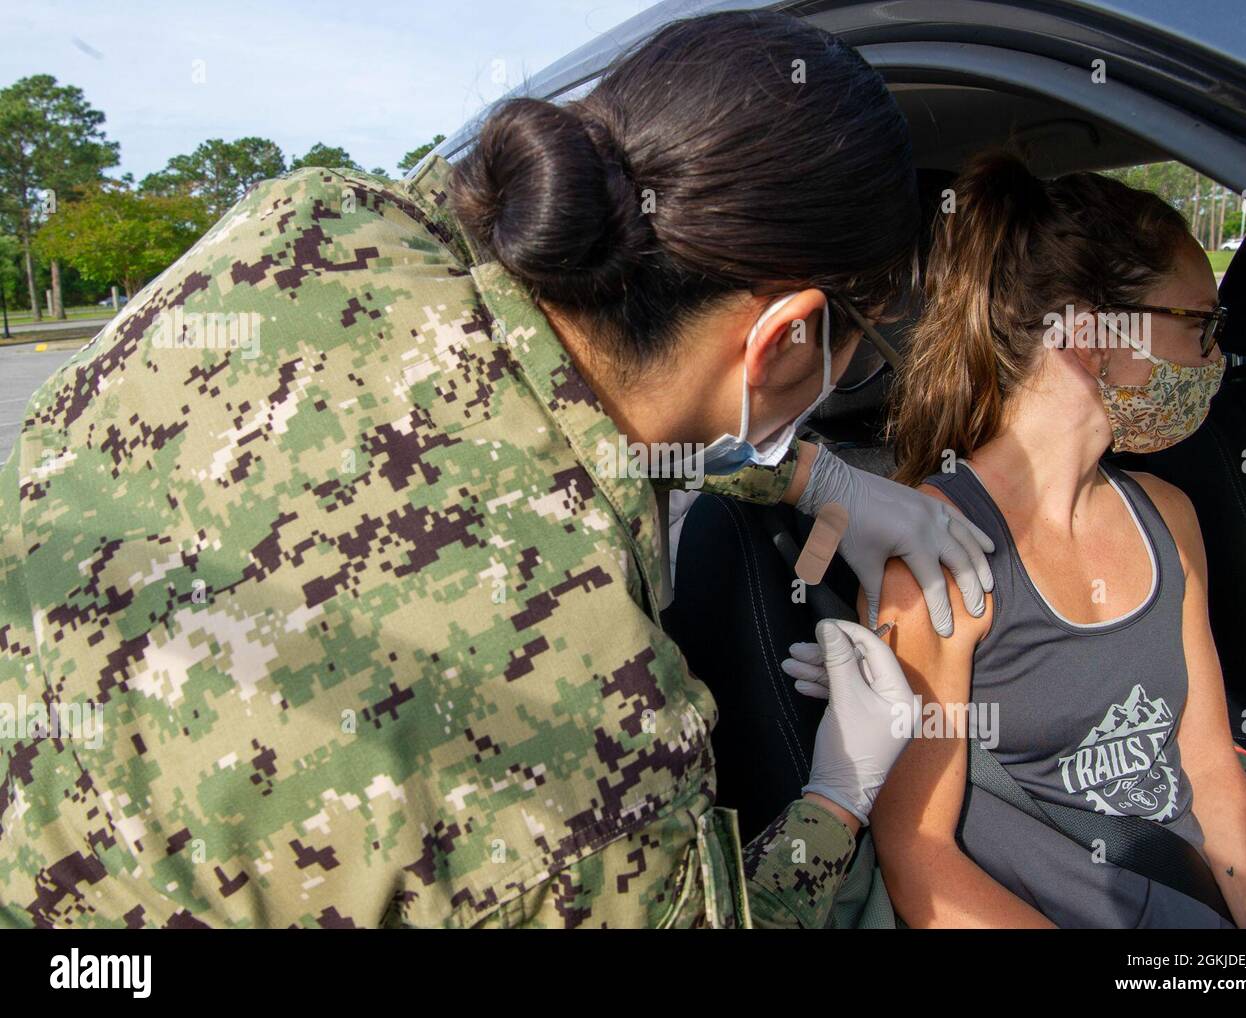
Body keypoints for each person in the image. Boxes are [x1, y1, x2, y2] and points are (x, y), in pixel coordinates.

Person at [0, 10, 991, 928]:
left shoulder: (318, 220)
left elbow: (579, 392)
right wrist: (838, 797)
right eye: (866, 339)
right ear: (786, 337)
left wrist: (811, 478)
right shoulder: (588, 745)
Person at [833, 151, 1246, 928]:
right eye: (1200, 326)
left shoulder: (1168, 516)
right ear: (1092, 334)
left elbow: (1213, 771)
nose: (1216, 358)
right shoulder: (935, 549)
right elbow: (921, 860)